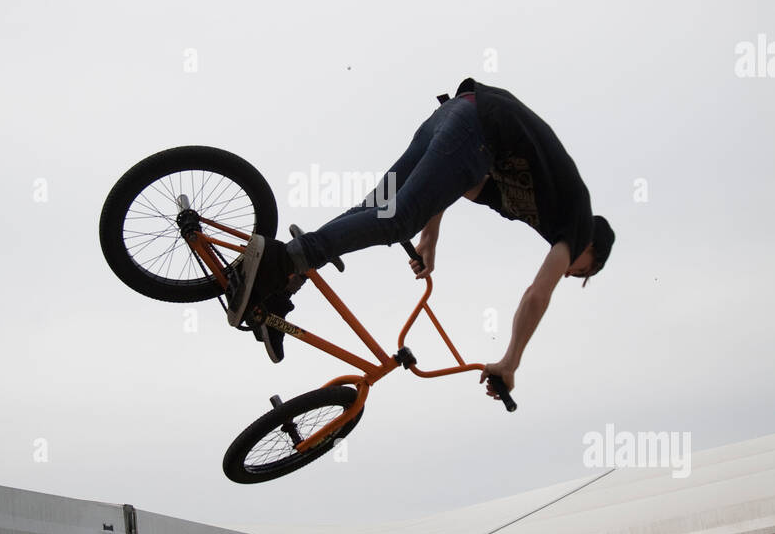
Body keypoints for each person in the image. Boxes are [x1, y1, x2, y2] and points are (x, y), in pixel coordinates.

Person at [227, 78, 615, 374]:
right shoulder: (578, 220)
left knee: (378, 209)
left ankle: (278, 286)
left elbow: (460, 183)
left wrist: (430, 235)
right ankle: (281, 261)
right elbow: (536, 296)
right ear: (592, 251)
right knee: (397, 222)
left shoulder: (525, 205)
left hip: (453, 118)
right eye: (580, 272)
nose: (568, 273)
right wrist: (510, 362)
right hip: (475, 125)